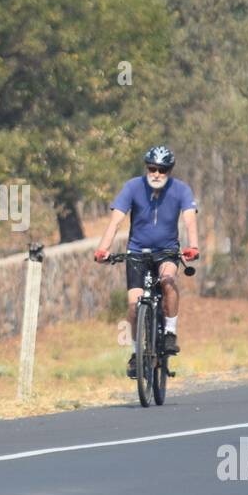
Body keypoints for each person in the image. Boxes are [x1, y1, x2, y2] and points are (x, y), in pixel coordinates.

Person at [93, 145, 199, 378]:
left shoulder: (181, 190)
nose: (157, 174)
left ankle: (170, 333)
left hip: (167, 251)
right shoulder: (132, 187)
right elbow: (116, 221)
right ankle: (135, 354)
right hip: (137, 253)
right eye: (152, 168)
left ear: (169, 171)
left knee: (168, 280)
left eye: (162, 170)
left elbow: (190, 220)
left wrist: (193, 246)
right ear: (147, 168)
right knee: (133, 306)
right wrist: (103, 249)